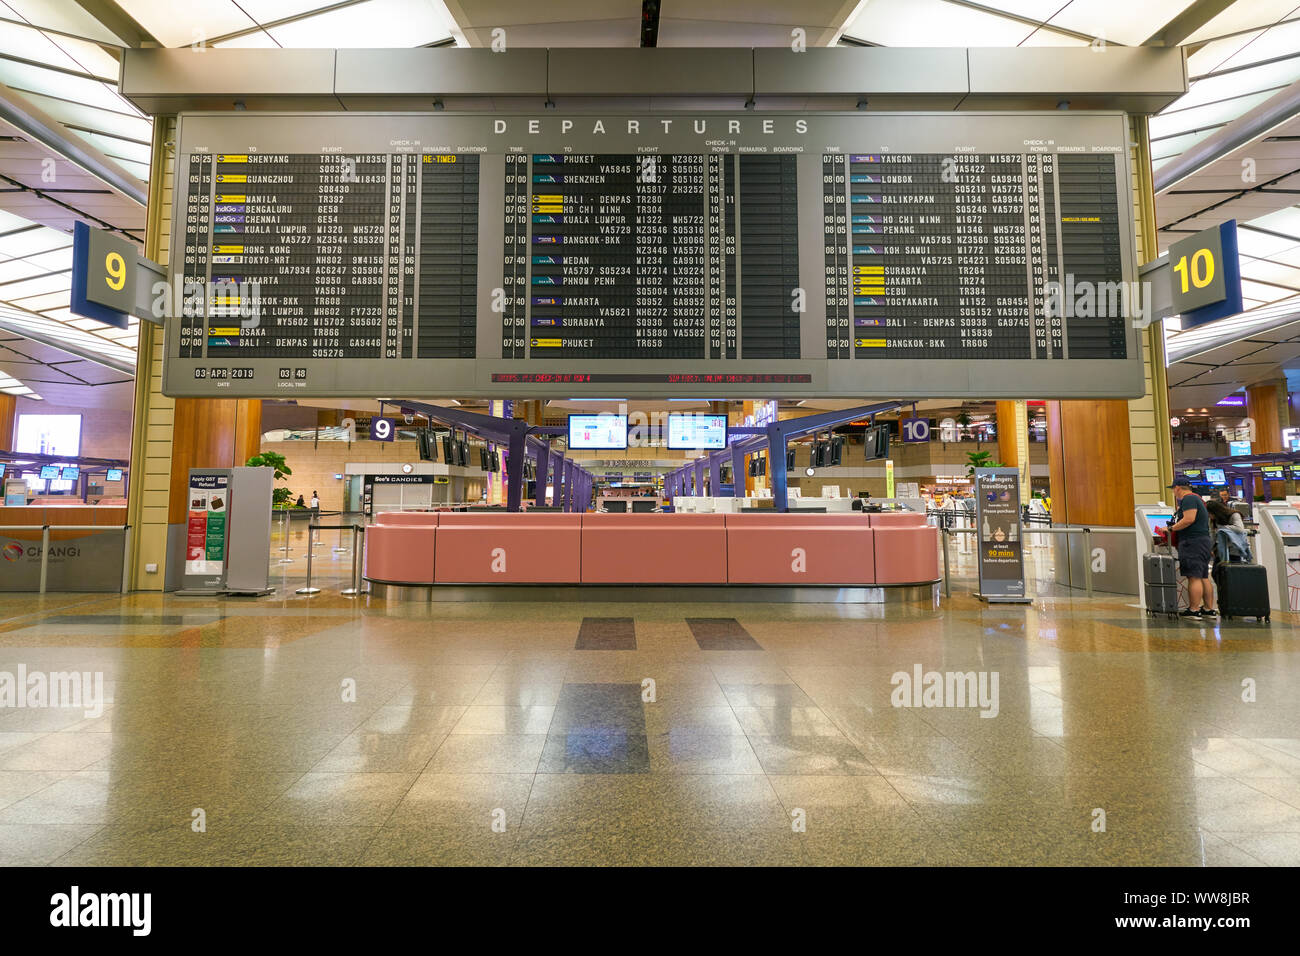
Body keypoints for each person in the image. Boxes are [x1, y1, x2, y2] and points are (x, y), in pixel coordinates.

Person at [1168, 478, 1217, 621]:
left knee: (1194, 577)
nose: (1173, 492)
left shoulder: (1188, 499)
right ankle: (1208, 609)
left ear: (1178, 488)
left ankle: (1194, 610)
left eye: (1173, 489)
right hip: (1202, 541)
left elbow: (1189, 519)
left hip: (1192, 541)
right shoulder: (1198, 499)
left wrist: (1170, 529)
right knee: (1202, 576)